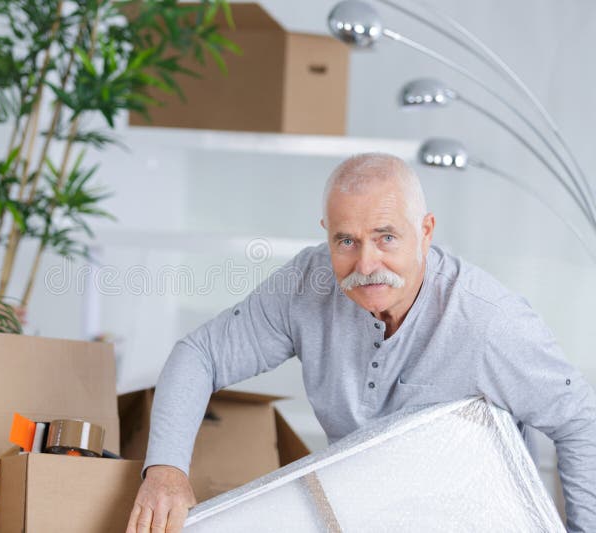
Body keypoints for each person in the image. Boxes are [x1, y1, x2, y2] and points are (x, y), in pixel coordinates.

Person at [125, 153, 596, 533]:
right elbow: (200, 355)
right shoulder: (308, 284)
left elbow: (580, 422)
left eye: (386, 237)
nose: (366, 264)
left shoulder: (490, 323)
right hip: (359, 514)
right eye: (345, 241)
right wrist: (166, 469)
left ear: (425, 232)